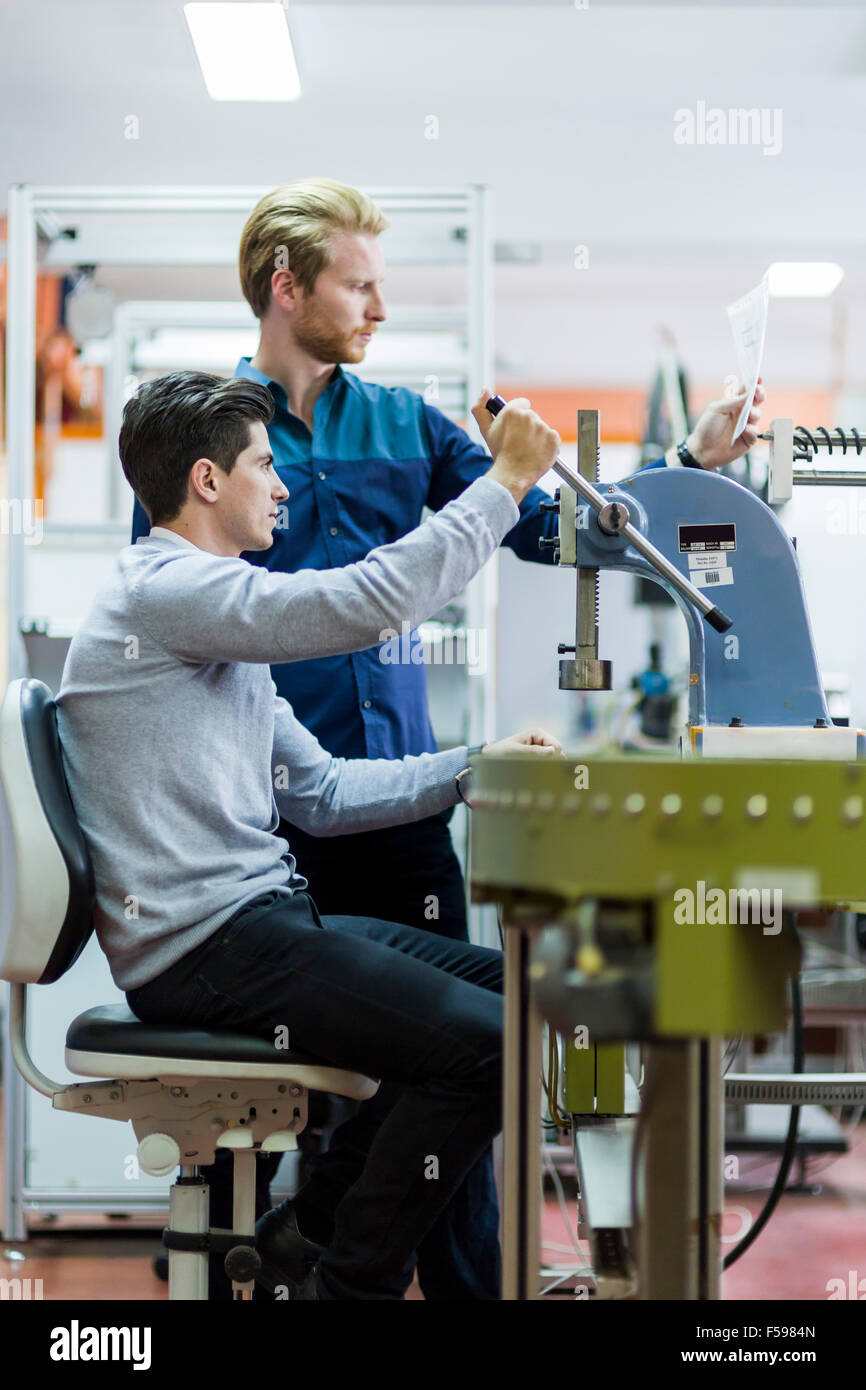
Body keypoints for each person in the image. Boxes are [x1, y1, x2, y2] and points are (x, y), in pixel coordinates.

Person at [130, 180, 766, 1300]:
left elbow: (557, 526)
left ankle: (462, 1293)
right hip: (275, 831)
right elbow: (242, 614)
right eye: (359, 283)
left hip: (393, 811)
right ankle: (308, 1266)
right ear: (288, 288)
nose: (378, 307)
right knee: (324, 1098)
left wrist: (687, 460)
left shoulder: (403, 425)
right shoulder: (206, 446)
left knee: (463, 1084)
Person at [59, 370, 566, 1299]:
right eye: (264, 465)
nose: (283, 485)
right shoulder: (167, 589)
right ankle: (348, 1279)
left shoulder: (208, 610)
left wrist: (474, 765)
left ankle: (311, 1234)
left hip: (261, 923)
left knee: (526, 996)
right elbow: (363, 604)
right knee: (494, 1045)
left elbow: (322, 791)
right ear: (209, 481)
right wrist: (503, 488)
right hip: (208, 946)